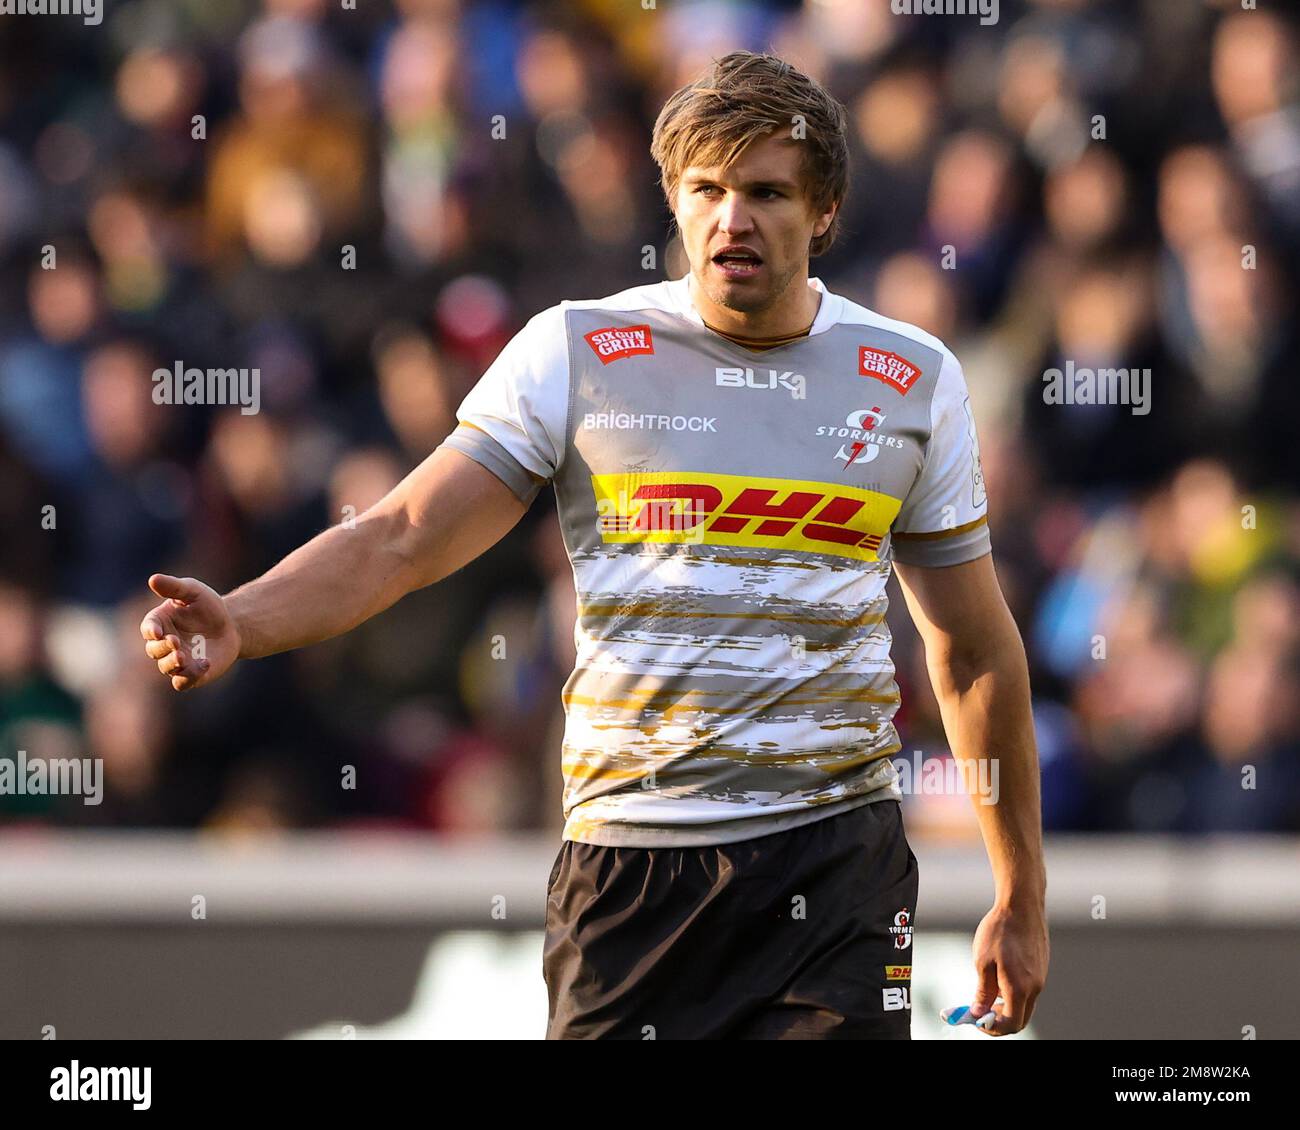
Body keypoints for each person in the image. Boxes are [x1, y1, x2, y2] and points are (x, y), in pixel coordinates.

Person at [141, 51, 1048, 1040]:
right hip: (629, 867)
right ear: (671, 195)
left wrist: (1020, 886)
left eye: (764, 192)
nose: (730, 219)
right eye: (704, 188)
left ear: (823, 210)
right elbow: (400, 535)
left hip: (836, 870)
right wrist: (247, 616)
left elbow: (971, 650)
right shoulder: (575, 353)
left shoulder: (909, 378)